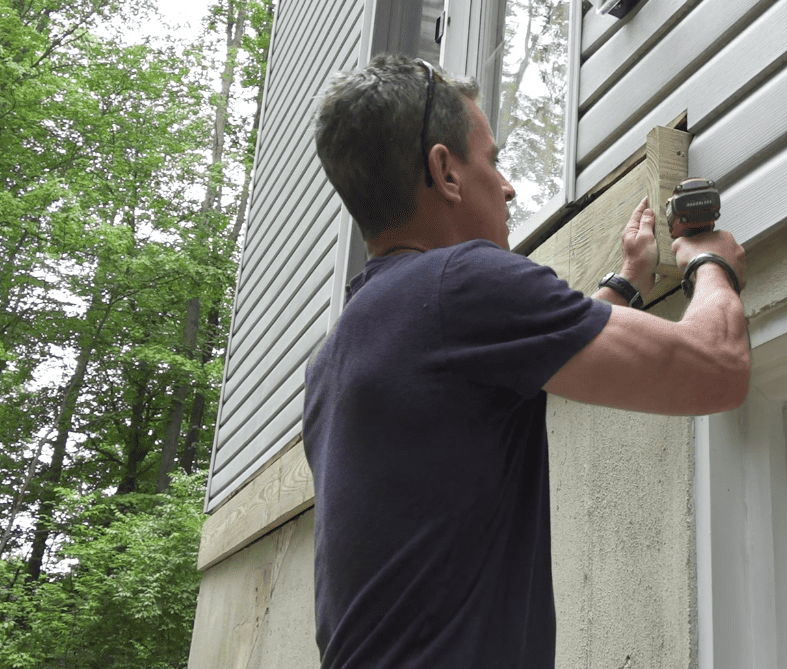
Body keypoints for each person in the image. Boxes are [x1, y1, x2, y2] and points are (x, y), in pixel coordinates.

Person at [304, 53, 749, 669]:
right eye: (491, 161)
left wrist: (624, 283)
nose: (509, 185)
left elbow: (529, 357)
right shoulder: (462, 283)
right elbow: (716, 370)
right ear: (445, 172)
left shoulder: (337, 354)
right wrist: (711, 263)